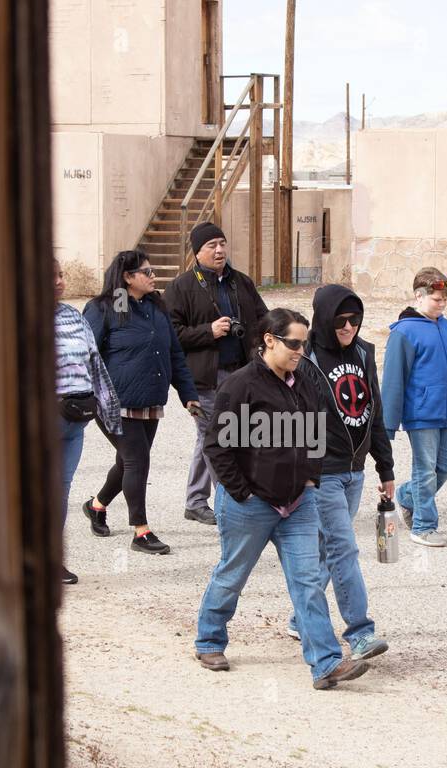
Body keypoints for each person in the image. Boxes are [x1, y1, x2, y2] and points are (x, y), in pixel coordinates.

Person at [195, 309, 371, 690]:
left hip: (298, 503)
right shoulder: (240, 386)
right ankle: (209, 640)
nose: (299, 350)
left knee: (308, 581)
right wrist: (241, 492)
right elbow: (217, 447)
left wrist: (310, 478)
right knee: (233, 574)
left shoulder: (304, 382)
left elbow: (315, 433)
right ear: (269, 340)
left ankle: (325, 664)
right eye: (293, 343)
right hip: (250, 505)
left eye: (303, 344)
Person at [286, 284, 394, 661]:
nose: (349, 327)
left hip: (355, 470)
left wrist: (386, 467)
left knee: (325, 549)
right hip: (323, 471)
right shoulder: (306, 355)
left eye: (355, 319)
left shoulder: (364, 352)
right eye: (341, 320)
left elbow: (374, 410)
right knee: (343, 548)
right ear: (324, 318)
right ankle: (360, 632)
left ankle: (302, 618)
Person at [81, 250, 201, 555]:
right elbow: (86, 354)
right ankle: (141, 530)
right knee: (137, 460)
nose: (153, 276)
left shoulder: (155, 307)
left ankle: (97, 506)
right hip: (113, 401)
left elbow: (175, 354)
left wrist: (188, 395)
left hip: (149, 398)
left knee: (128, 461)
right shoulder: (104, 308)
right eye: (146, 272)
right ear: (127, 278)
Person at [165, 222, 268, 526]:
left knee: (216, 437)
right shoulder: (181, 287)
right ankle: (229, 500)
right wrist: (208, 331)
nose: (220, 250)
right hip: (203, 379)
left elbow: (264, 319)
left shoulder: (242, 283)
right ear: (197, 253)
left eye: (222, 243)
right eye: (211, 245)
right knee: (216, 437)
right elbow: (171, 334)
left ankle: (196, 500)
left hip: (242, 375)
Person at [380, 267, 447, 547]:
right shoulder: (404, 333)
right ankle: (424, 527)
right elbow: (393, 380)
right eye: (437, 299)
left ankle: (407, 495)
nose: (442, 303)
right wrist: (387, 425)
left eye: (445, 299)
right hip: (420, 414)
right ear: (418, 296)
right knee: (425, 470)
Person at [54, 258, 121, 584]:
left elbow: (95, 364)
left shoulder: (71, 315)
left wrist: (107, 408)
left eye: (60, 275)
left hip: (76, 421)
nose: (58, 281)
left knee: (61, 492)